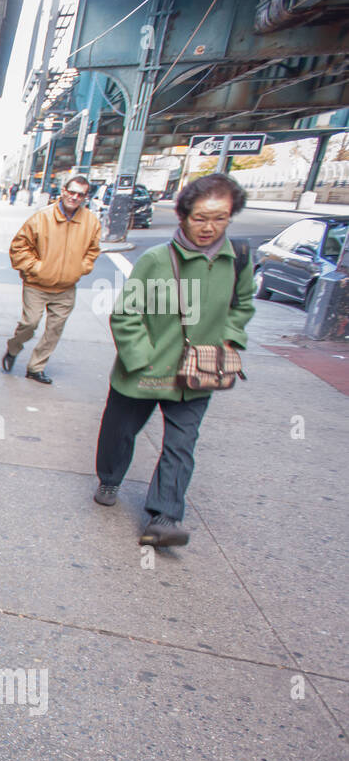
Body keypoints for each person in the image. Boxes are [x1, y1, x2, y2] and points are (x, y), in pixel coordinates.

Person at [92, 173, 255, 548]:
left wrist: (229, 339)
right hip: (145, 372)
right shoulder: (155, 260)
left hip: (199, 373)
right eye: (200, 217)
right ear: (183, 216)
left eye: (220, 218)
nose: (209, 227)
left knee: (181, 445)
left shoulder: (239, 259)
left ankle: (164, 516)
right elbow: (126, 314)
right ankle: (110, 478)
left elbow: (242, 305)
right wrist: (141, 358)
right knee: (120, 433)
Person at [2, 173, 101, 384]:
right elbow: (19, 247)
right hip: (37, 284)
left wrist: (81, 268)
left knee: (54, 330)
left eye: (80, 194)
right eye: (71, 192)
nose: (74, 197)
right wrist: (36, 268)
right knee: (30, 323)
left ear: (85, 197)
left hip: (66, 287)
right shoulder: (42, 217)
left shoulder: (91, 222)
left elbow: (93, 251)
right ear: (63, 191)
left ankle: (35, 368)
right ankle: (13, 347)